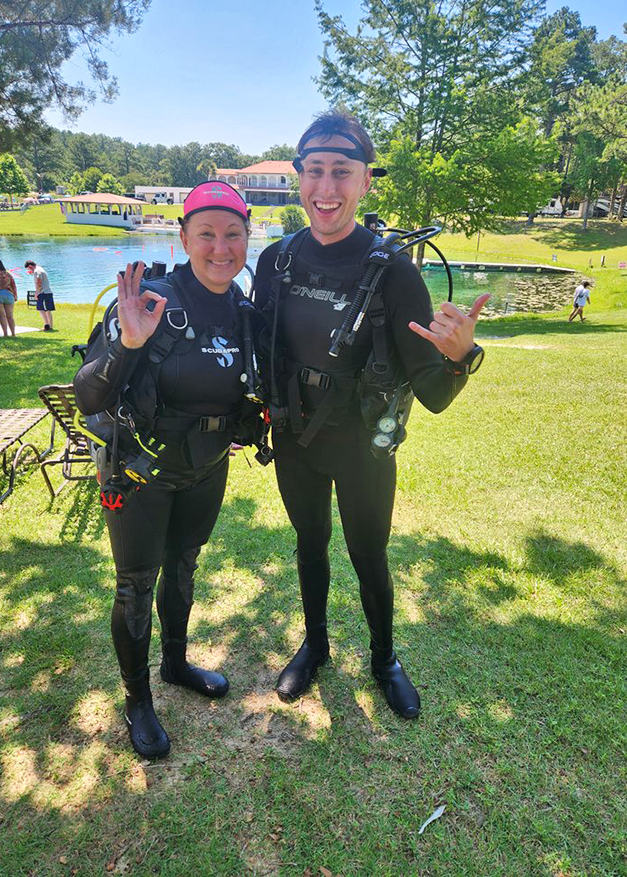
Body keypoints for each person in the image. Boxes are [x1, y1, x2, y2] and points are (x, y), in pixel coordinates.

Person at [254, 111, 490, 720]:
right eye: (314, 171)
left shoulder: (394, 272)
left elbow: (434, 393)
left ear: (366, 183)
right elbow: (258, 352)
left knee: (367, 553)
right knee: (310, 544)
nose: (325, 189)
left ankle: (384, 658)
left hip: (364, 446)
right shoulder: (277, 262)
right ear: (299, 177)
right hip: (295, 439)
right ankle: (316, 645)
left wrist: (463, 357)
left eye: (341, 172)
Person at [74, 182, 260, 759]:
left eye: (233, 234)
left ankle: (176, 663)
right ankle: (137, 701)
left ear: (247, 239)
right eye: (206, 233)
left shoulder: (245, 312)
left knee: (183, 563)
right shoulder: (147, 300)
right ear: (183, 237)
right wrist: (128, 344)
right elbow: (86, 395)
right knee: (136, 584)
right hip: (138, 472)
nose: (220, 247)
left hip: (206, 469)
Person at [25, 260, 55, 330]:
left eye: (28, 269)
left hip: (43, 292)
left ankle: (48, 325)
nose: (29, 270)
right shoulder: (39, 269)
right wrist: (32, 273)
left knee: (45, 310)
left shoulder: (37, 271)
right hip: (46, 292)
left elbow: (39, 281)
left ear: (30, 266)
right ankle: (47, 325)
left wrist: (37, 292)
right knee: (43, 309)